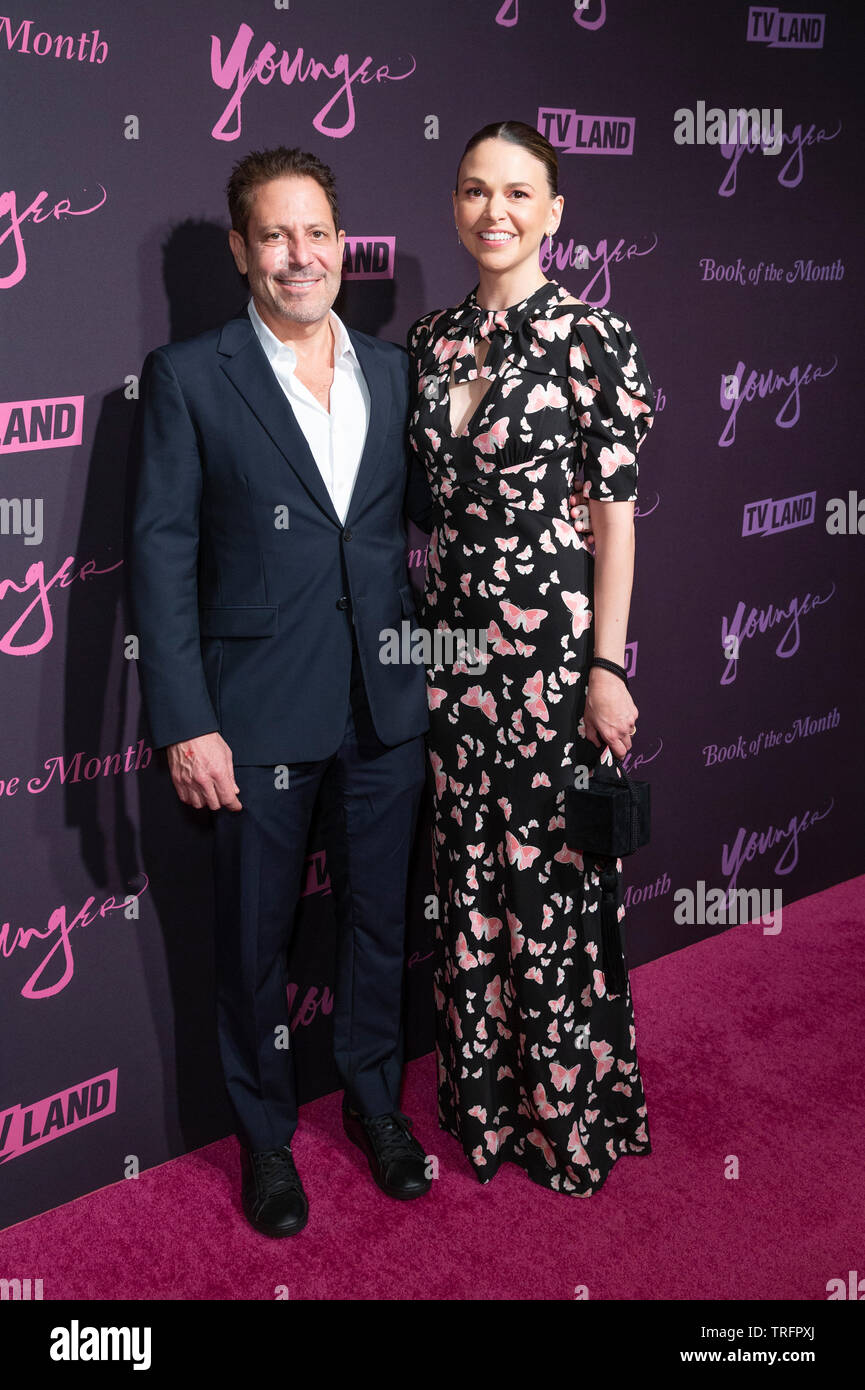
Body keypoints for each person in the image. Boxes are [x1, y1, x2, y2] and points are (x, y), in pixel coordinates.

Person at [128, 146, 436, 1237]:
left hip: (386, 709)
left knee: (375, 925)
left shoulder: (394, 372)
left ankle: (375, 1107)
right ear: (240, 251)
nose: (299, 255)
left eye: (316, 233)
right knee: (252, 944)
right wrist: (185, 718)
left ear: (343, 244)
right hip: (250, 712)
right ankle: (264, 1139)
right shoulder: (189, 375)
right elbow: (160, 557)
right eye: (275, 235)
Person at [406, 121, 656, 1196]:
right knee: (465, 878)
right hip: (450, 654)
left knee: (550, 887)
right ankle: (485, 1104)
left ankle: (567, 1117)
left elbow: (615, 518)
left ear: (554, 214)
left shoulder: (593, 335)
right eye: (473, 190)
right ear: (454, 206)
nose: (493, 211)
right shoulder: (429, 339)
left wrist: (608, 665)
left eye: (517, 193)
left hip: (552, 658)